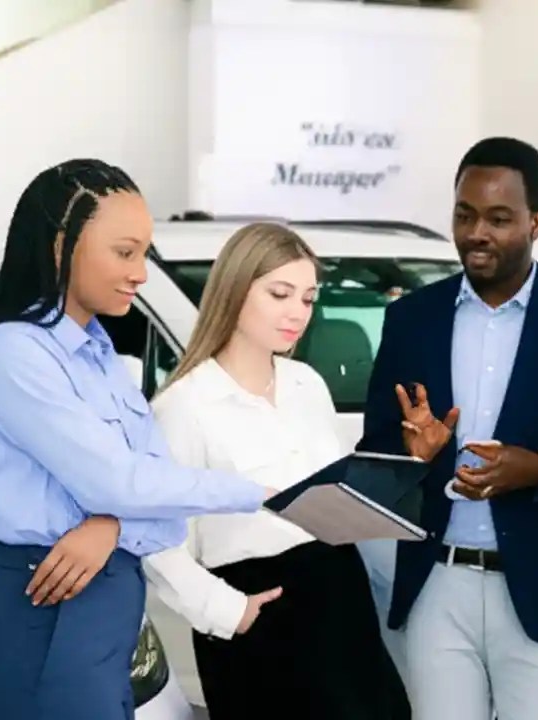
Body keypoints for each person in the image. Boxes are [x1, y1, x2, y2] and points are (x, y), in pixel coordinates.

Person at [0, 159, 271, 720]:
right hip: (47, 603)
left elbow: (152, 497)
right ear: (60, 247)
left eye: (144, 253)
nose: (140, 273)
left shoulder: (97, 354)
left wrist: (113, 525)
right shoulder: (14, 353)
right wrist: (258, 490)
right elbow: (125, 481)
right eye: (125, 252)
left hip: (104, 603)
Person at [357, 136, 538, 719]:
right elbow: (376, 449)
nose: (476, 232)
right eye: (464, 215)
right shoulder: (410, 319)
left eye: (498, 218)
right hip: (436, 583)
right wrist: (416, 454)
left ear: (537, 221)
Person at [144, 222, 410, 720]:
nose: (298, 313)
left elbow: (331, 490)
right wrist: (229, 612)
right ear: (235, 289)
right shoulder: (185, 405)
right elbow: (159, 545)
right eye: (280, 294)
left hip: (339, 598)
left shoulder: (306, 384)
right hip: (256, 615)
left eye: (308, 299)